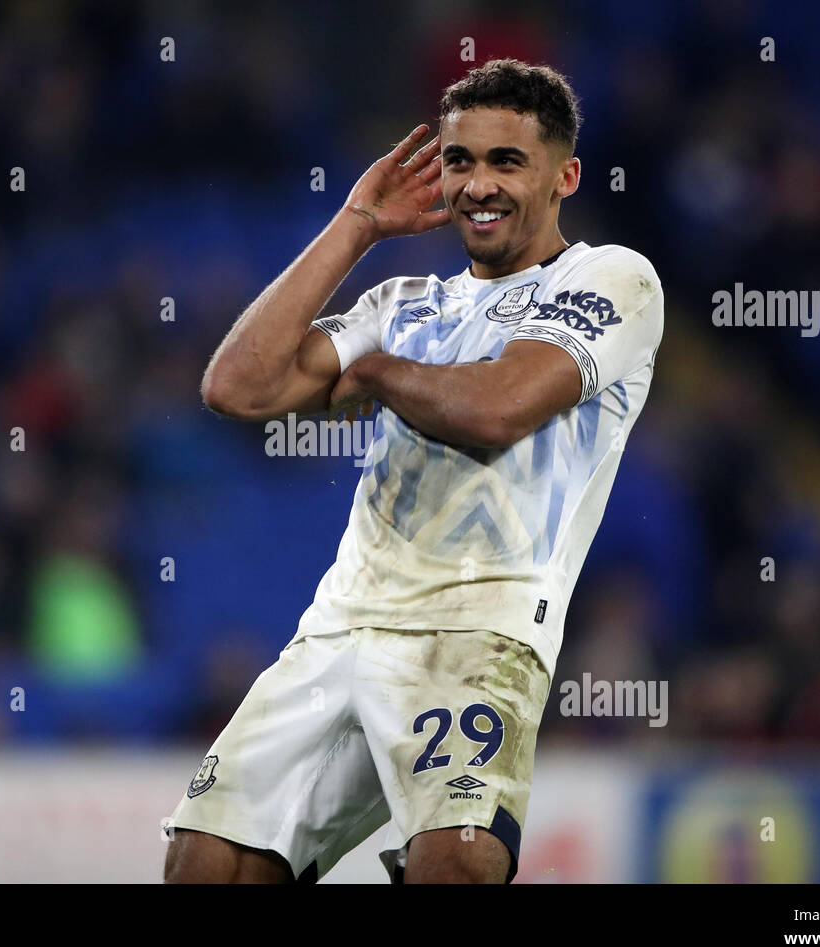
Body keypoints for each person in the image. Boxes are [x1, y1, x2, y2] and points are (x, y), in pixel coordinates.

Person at [164, 58, 664, 883]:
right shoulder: (399, 304)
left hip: (481, 630)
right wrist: (356, 226)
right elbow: (235, 387)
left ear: (565, 175)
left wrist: (381, 374)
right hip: (341, 623)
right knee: (204, 863)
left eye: (508, 161)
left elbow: (500, 406)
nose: (479, 184)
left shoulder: (611, 278)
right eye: (461, 160)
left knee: (455, 864)